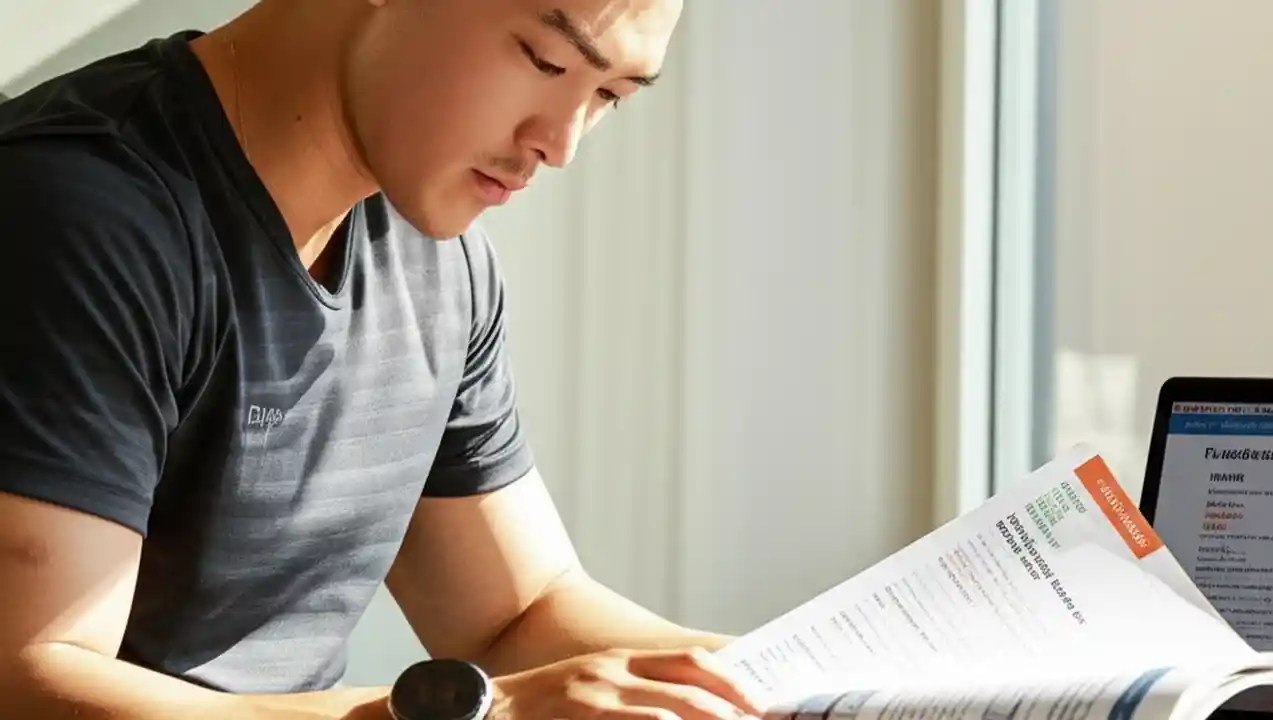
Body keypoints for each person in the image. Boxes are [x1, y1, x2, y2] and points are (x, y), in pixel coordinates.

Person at [0, 1, 768, 718]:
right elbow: (28, 678)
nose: (559, 143)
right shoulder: (73, 213)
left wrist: (783, 682)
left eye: (611, 96)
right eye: (544, 61)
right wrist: (487, 711)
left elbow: (516, 613)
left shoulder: (437, 255)